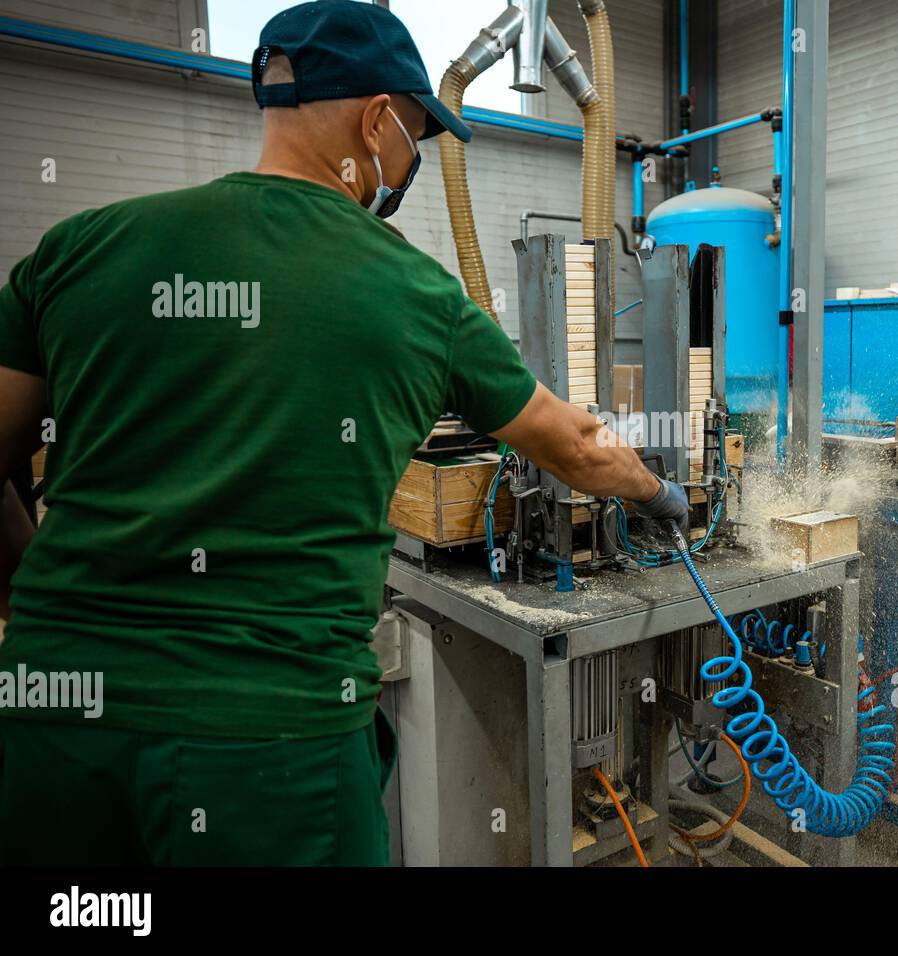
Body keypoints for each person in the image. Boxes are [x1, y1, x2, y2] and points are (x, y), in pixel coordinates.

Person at [0, 0, 686, 865]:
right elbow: (578, 447)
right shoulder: (416, 293)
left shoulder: (81, 248)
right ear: (375, 120)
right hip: (271, 747)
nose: (410, 165)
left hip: (53, 725)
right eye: (413, 140)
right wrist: (663, 492)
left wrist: (44, 607)